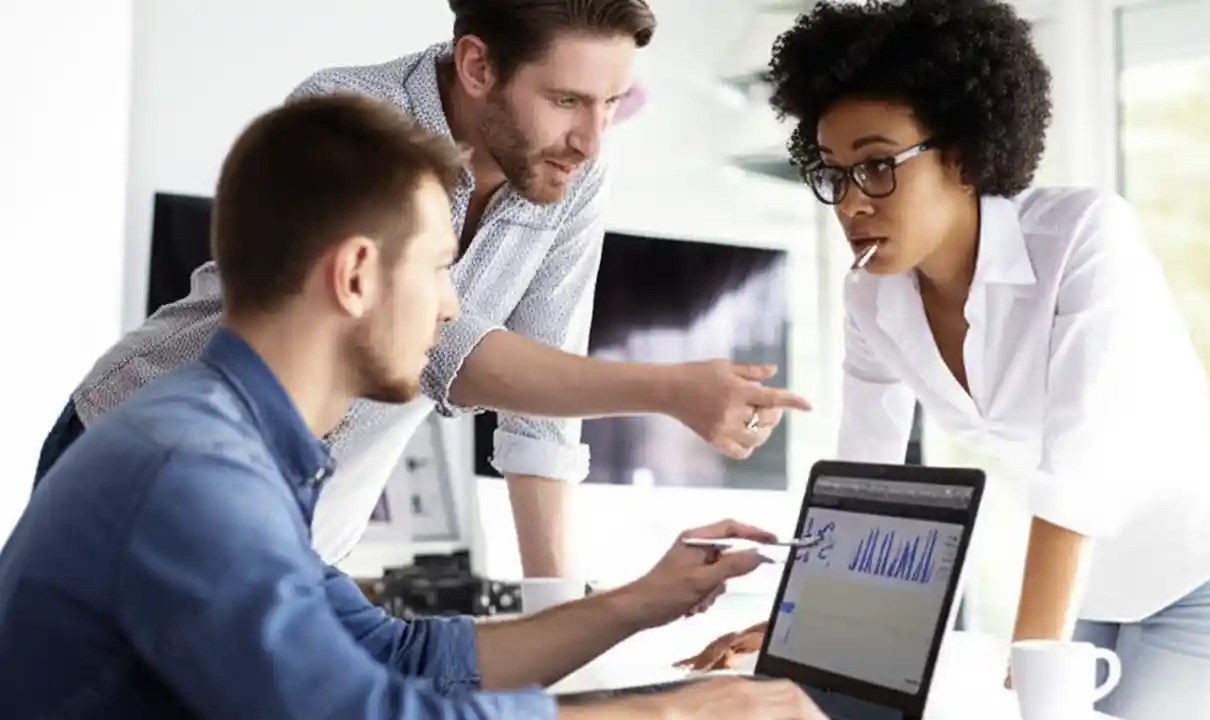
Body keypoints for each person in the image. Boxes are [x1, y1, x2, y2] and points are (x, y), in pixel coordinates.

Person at [0, 94, 827, 720]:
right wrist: (682, 712)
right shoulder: (194, 471)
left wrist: (643, 601)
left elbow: (399, 657)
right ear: (357, 275)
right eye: (438, 268)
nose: (450, 307)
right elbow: (362, 713)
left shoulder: (235, 447)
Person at [35, 0, 809, 578]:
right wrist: (667, 390)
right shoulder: (351, 121)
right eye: (567, 100)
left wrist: (555, 618)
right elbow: (433, 350)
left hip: (309, 522)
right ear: (477, 66)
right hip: (151, 449)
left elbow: (539, 419)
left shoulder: (574, 173)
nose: (592, 140)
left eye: (612, 104)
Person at [676, 2, 1210, 718]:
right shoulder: (872, 296)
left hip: (1191, 573)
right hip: (1084, 585)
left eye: (878, 166)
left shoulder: (1083, 237)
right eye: (834, 173)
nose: (851, 203)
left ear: (960, 153)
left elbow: (1077, 470)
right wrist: (805, 632)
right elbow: (864, 478)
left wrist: (1035, 647)